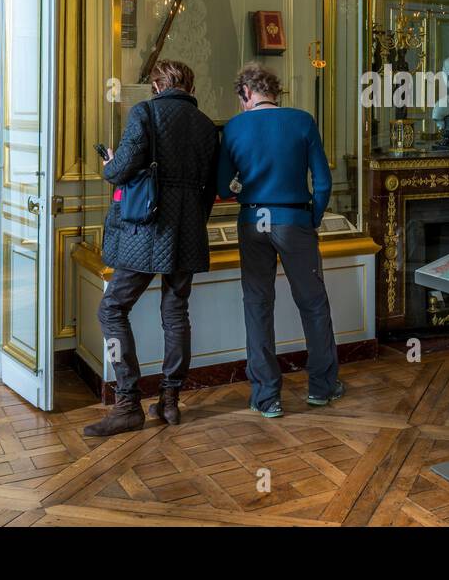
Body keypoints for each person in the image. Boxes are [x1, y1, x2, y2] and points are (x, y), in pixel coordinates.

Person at [85, 59, 219, 438]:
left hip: (147, 229)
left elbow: (119, 171)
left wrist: (110, 163)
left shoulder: (145, 112)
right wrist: (192, 220)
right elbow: (210, 188)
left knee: (112, 308)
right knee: (176, 312)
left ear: (157, 86)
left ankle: (127, 402)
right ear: (189, 86)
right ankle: (170, 401)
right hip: (188, 229)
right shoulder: (207, 125)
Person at [217, 62, 343, 419]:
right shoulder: (302, 120)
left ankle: (267, 396)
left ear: (246, 93)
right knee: (313, 304)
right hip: (293, 219)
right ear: (275, 91)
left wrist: (245, 185)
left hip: (253, 219)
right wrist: (312, 217)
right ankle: (321, 387)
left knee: (258, 305)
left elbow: (223, 188)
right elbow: (323, 181)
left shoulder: (235, 127)